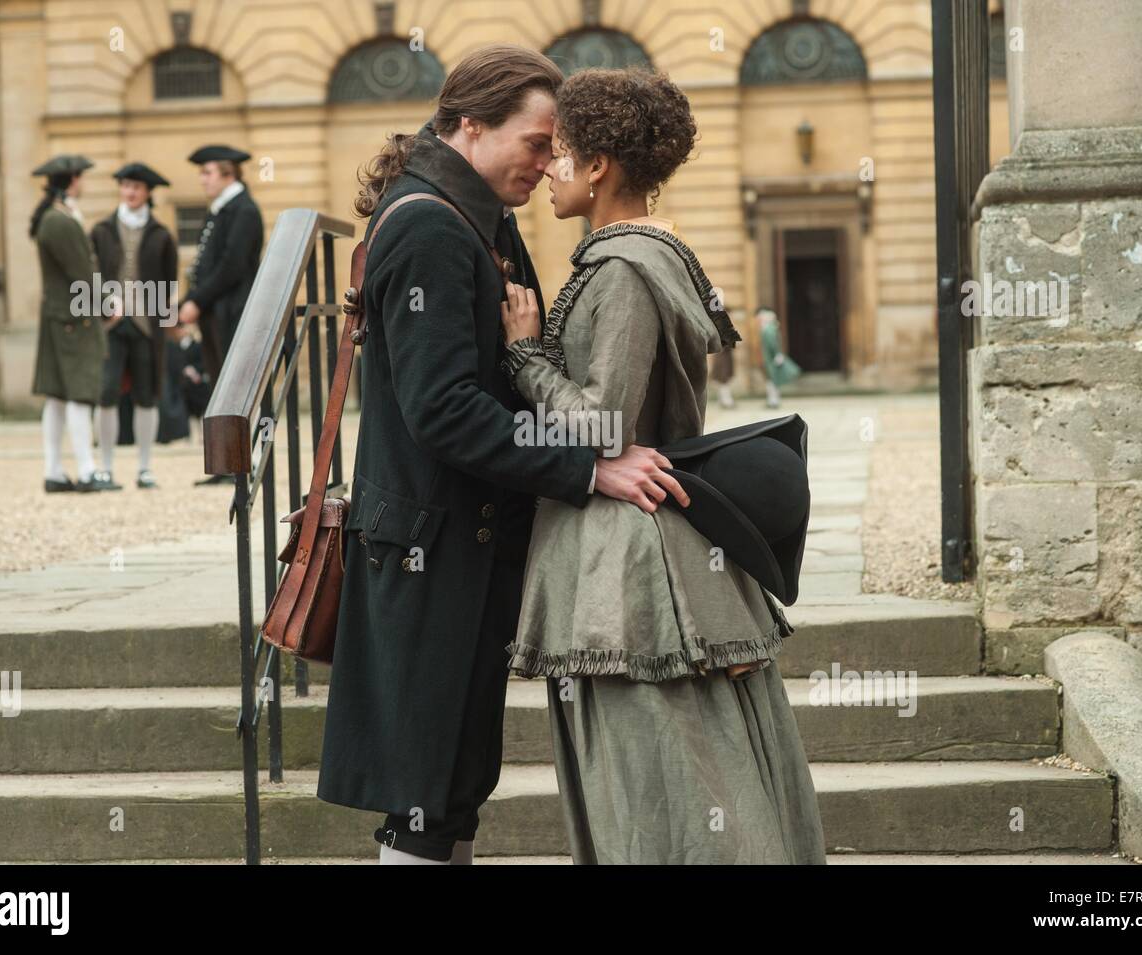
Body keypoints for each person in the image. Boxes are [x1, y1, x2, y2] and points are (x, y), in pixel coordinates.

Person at [315, 45, 689, 866]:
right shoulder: (426, 227)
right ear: (470, 126)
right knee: (423, 792)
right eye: (536, 142)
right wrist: (588, 467)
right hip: (428, 547)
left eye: (556, 146)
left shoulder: (482, 212)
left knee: (449, 788)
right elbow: (444, 411)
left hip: (459, 542)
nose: (549, 161)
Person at [499, 66, 827, 864]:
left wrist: (522, 353)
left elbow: (607, 424)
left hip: (634, 558)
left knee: (665, 778)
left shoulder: (622, 270)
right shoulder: (645, 256)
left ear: (600, 166)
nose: (548, 170)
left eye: (562, 154)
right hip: (648, 542)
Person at [89, 162, 179, 490]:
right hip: (110, 325)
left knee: (147, 395)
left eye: (137, 187)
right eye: (126, 186)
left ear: (147, 193)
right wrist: (100, 307)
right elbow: (90, 274)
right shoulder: (101, 231)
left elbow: (171, 283)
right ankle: (106, 467)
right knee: (106, 392)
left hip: (148, 324)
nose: (130, 192)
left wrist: (170, 324)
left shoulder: (161, 235)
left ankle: (144, 467)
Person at [180, 144, 263, 484]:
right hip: (216, 312)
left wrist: (196, 299)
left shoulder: (243, 210)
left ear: (228, 173)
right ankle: (225, 464)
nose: (202, 180)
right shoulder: (220, 210)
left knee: (238, 387)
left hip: (234, 310)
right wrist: (193, 299)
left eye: (207, 172)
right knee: (220, 386)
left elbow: (232, 266)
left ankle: (246, 463)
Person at [29, 154, 109, 493]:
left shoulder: (55, 216)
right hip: (74, 318)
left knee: (59, 397)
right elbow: (82, 272)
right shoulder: (59, 221)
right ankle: (87, 470)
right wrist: (105, 304)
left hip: (63, 316)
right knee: (77, 394)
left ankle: (55, 472)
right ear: (73, 180)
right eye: (82, 177)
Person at [757, 305, 801, 408]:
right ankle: (772, 400)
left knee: (772, 379)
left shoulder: (769, 329)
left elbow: (773, 344)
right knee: (771, 379)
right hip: (769, 357)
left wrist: (777, 354)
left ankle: (774, 400)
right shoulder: (769, 328)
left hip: (771, 358)